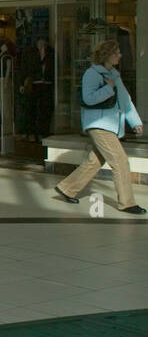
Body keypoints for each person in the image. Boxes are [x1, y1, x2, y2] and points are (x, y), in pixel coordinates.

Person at [55, 39, 144, 213]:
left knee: (95, 161)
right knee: (120, 161)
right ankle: (127, 202)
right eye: (117, 52)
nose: (120, 55)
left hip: (109, 125)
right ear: (107, 54)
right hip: (99, 125)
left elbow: (126, 101)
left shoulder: (114, 75)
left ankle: (67, 188)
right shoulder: (92, 74)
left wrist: (135, 122)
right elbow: (88, 99)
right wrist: (108, 89)